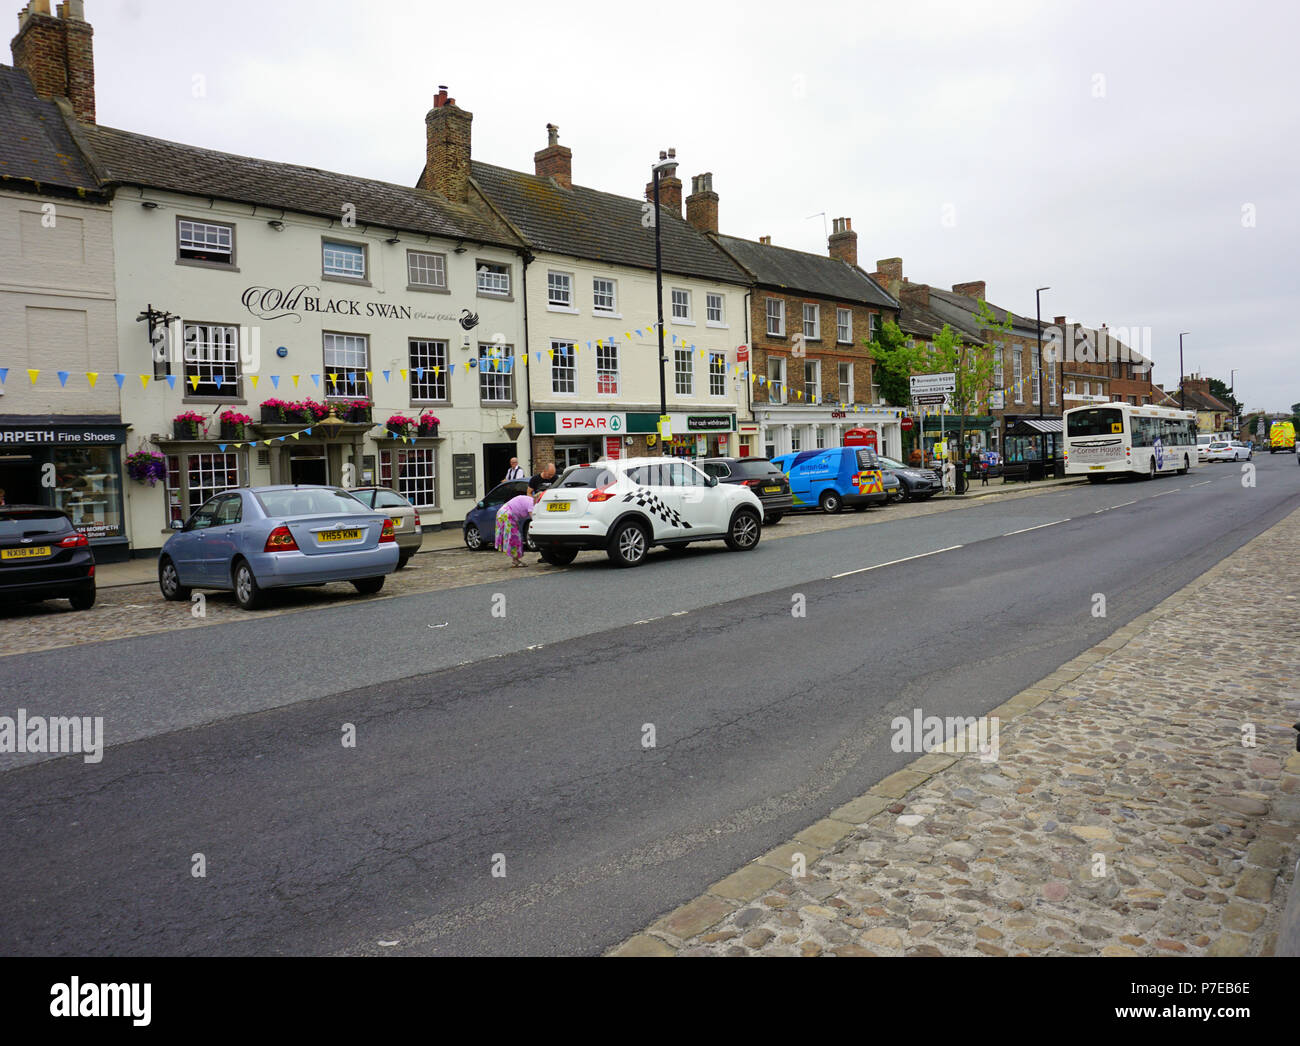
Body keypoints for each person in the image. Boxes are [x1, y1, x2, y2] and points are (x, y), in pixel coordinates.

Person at [495, 491, 537, 567]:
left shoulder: (529, 499)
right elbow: (533, 518)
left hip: (504, 513)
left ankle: (515, 559)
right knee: (515, 537)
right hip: (507, 514)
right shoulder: (532, 503)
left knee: (514, 536)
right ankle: (515, 560)